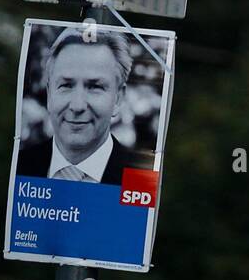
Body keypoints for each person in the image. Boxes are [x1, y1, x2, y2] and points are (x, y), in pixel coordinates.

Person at [16, 27, 155, 183]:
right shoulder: (19, 167)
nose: (77, 106)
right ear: (49, 94)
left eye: (94, 87)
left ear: (118, 98)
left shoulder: (141, 180)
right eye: (66, 85)